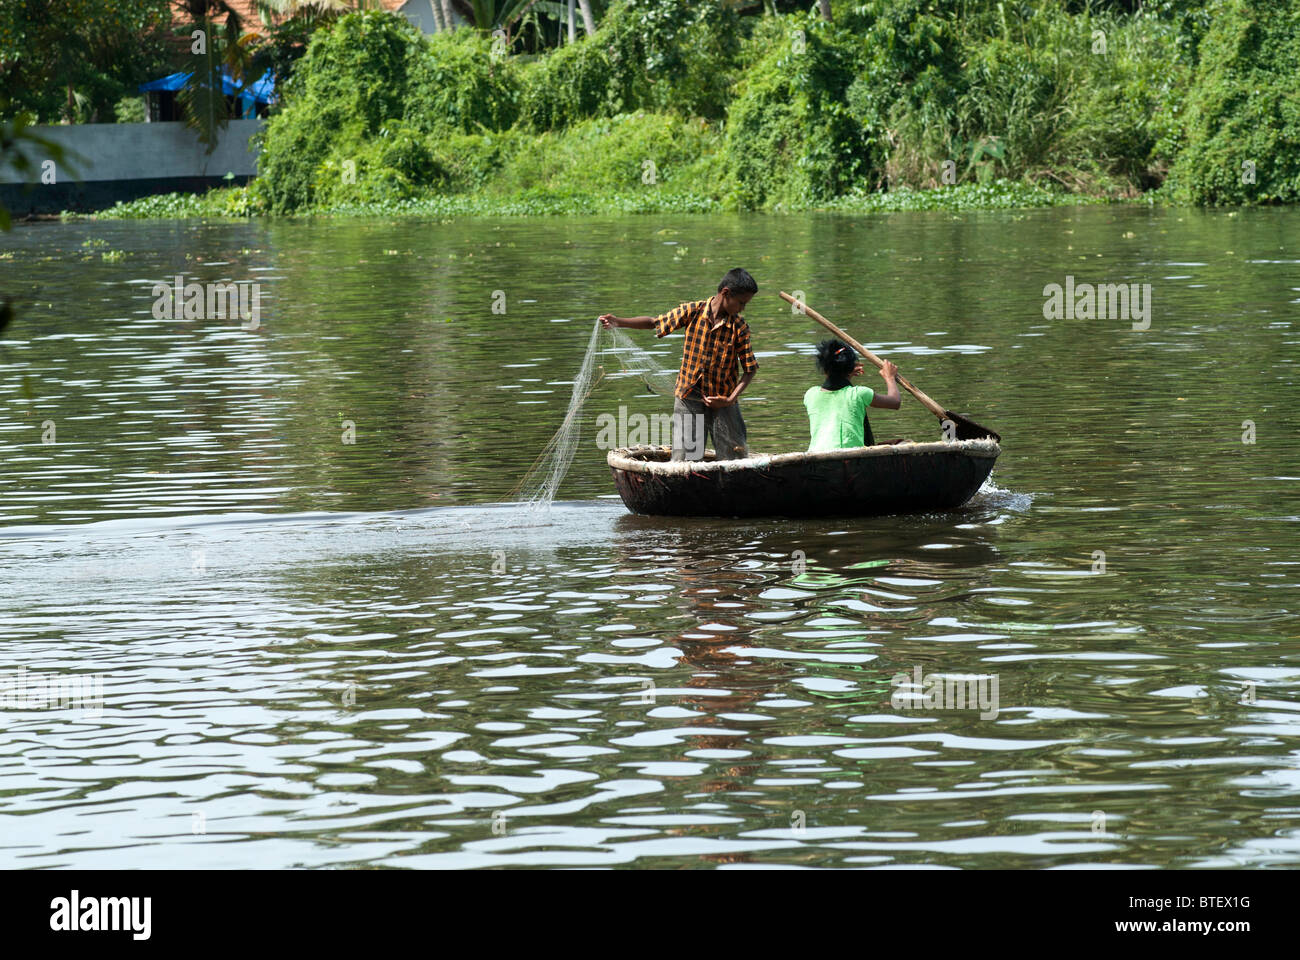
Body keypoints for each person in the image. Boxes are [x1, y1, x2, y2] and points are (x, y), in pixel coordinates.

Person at [599, 268, 759, 461]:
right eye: (741, 303)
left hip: (722, 398)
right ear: (725, 293)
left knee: (734, 457)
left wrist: (729, 399)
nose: (742, 308)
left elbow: (750, 369)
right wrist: (619, 322)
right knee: (686, 460)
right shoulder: (694, 311)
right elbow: (654, 322)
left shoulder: (739, 327)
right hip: (689, 395)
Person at [804, 338, 901, 452]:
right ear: (850, 369)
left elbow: (836, 385)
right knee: (902, 443)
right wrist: (889, 377)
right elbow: (895, 402)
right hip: (851, 458)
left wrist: (847, 372)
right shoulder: (859, 394)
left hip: (815, 455)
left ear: (825, 369)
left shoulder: (810, 395)